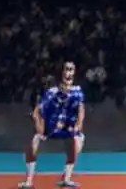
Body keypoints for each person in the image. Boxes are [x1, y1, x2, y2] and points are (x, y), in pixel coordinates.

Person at [22, 61, 84, 189]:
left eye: (71, 70)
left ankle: (66, 179)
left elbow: (81, 110)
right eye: (66, 70)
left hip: (67, 129)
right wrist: (40, 130)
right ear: (61, 73)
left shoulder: (77, 92)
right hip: (49, 128)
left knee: (79, 139)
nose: (68, 73)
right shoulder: (51, 92)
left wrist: (79, 125)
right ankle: (28, 181)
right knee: (33, 143)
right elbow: (37, 111)